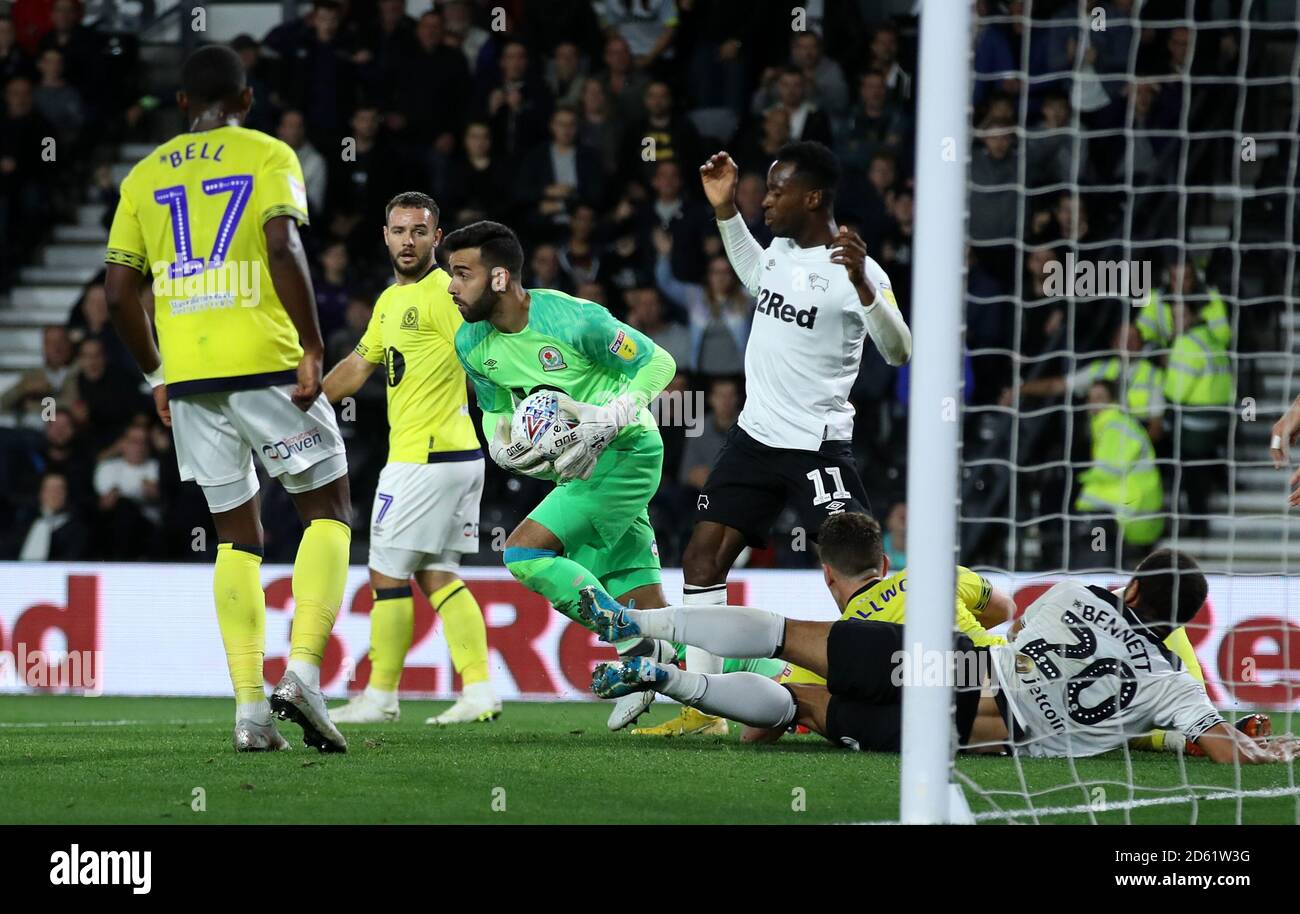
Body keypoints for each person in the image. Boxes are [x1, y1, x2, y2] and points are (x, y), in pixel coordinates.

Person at [103, 44, 352, 753]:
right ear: (244, 101)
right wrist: (311, 342)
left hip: (191, 377)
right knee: (327, 509)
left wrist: (158, 375)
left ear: (182, 105)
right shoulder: (270, 152)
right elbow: (282, 246)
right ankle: (303, 671)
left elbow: (120, 293)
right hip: (265, 360)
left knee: (237, 537)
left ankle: (249, 709)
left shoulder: (143, 176)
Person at [643, 142, 911, 737]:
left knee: (858, 575)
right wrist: (724, 210)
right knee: (701, 557)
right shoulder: (783, 252)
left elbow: (899, 351)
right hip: (754, 439)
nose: (765, 201)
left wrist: (865, 285)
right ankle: (703, 709)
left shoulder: (855, 270)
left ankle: (893, 689)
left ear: (812, 197)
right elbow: (754, 272)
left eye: (775, 191)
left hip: (817, 446)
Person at [585, 547, 1299, 765]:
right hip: (968, 729)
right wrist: (1261, 748)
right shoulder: (1170, 682)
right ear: (1180, 622)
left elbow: (1008, 619)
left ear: (1134, 584)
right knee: (804, 706)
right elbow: (1216, 746)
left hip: (942, 661)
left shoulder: (1072, 595)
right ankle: (669, 679)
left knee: (781, 632)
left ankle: (638, 620)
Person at [445, 219, 679, 732]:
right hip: (574, 467)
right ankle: (733, 682)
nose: (451, 286)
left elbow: (659, 362)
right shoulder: (471, 342)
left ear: (501, 278)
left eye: (463, 273)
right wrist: (501, 445)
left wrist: (616, 413)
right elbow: (494, 407)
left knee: (525, 553)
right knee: (645, 598)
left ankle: (630, 643)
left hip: (626, 450)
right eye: (449, 274)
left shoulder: (575, 320)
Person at [323, 192, 499, 726]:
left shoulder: (444, 294)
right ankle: (480, 690)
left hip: (426, 457)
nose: (408, 241)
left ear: (437, 239)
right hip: (455, 457)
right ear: (385, 235)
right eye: (399, 230)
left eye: (419, 232)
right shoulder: (388, 301)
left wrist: (508, 410)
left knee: (385, 574)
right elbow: (357, 365)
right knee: (438, 575)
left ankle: (380, 696)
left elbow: (483, 354)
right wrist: (301, 406)